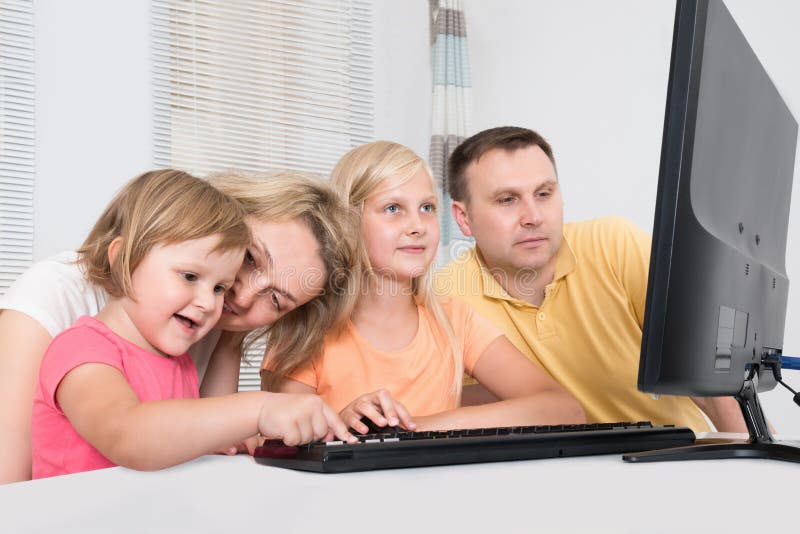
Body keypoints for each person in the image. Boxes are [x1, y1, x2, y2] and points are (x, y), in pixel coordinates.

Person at [0, 169, 359, 483]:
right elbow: (129, 434)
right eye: (249, 258)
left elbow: (197, 445)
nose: (241, 296)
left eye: (276, 300)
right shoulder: (77, 337)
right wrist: (258, 410)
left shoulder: (186, 345)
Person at [434, 126, 746, 433]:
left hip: (675, 456)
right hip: (553, 465)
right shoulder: (445, 296)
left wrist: (755, 455)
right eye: (507, 200)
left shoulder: (616, 245)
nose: (533, 217)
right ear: (463, 218)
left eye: (543, 194)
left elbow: (712, 386)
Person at [265, 141, 584, 432]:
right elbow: (280, 437)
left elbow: (564, 409)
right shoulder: (305, 328)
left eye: (427, 208)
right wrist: (342, 425)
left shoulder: (455, 320)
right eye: (393, 209)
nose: (418, 226)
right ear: (348, 220)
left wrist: (413, 429)